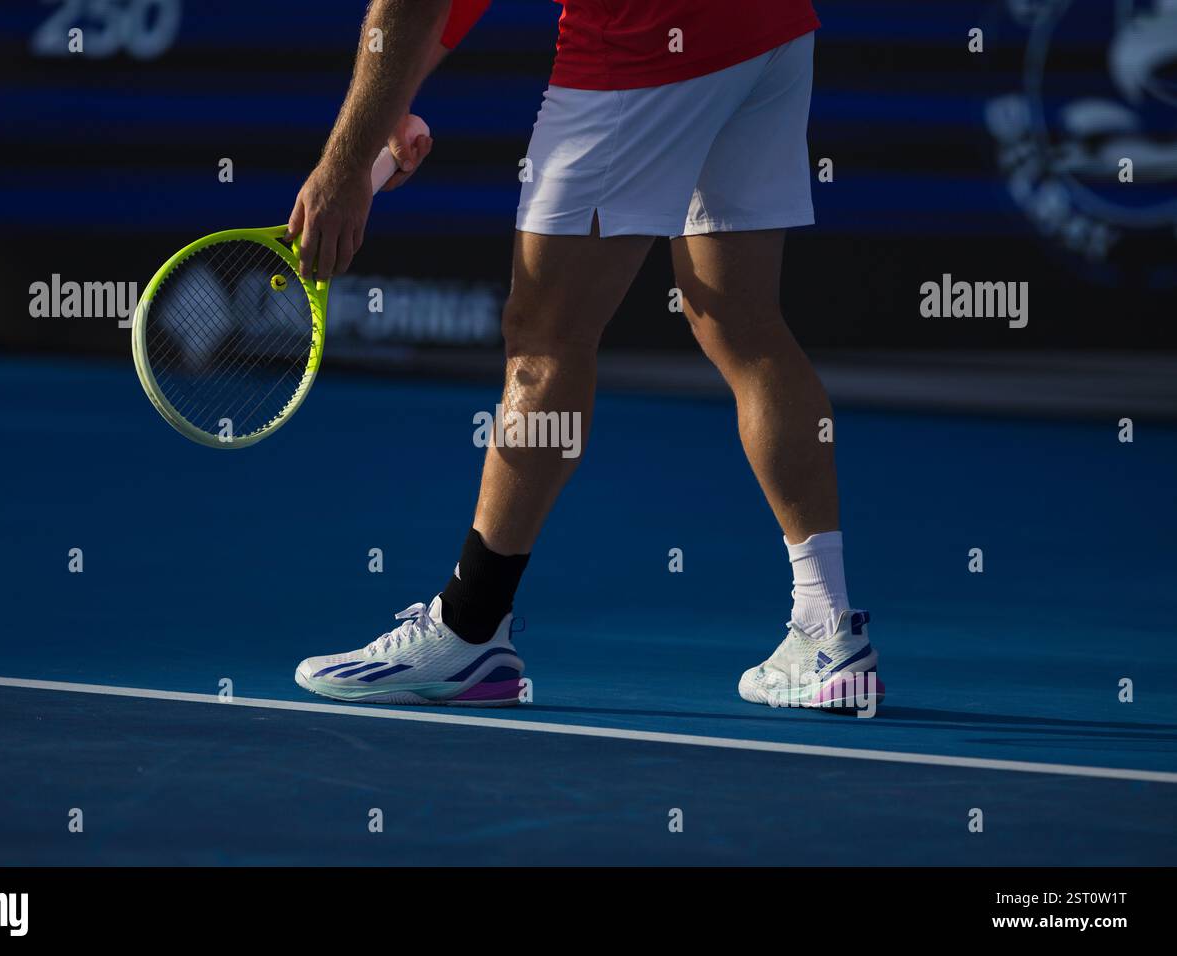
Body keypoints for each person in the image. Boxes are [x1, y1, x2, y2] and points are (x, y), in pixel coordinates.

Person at [292, 0, 883, 710]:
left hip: (642, 43)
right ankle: (828, 630)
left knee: (545, 337)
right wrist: (398, 98)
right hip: (767, 32)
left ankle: (471, 628)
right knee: (742, 321)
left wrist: (346, 163)